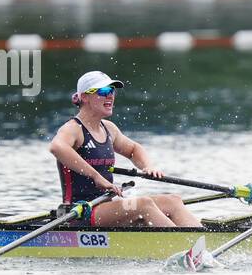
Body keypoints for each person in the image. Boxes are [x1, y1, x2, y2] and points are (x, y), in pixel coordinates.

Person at [50, 71, 200, 227]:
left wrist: (148, 166)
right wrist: (95, 176)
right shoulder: (73, 129)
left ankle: (201, 243)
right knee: (143, 205)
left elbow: (134, 149)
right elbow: (56, 147)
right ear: (85, 97)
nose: (110, 96)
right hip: (80, 213)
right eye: (103, 91)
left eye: (112, 91)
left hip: (106, 205)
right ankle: (183, 245)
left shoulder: (109, 129)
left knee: (173, 201)